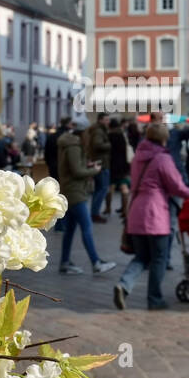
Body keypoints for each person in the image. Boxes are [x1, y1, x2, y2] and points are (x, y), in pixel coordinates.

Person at [114, 122, 189, 311]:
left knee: (141, 256)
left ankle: (124, 284)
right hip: (155, 214)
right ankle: (154, 298)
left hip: (136, 210)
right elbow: (177, 187)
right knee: (159, 257)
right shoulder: (163, 158)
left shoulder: (138, 156)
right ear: (164, 138)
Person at [57, 115, 116, 276]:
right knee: (87, 227)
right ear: (83, 132)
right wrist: (93, 170)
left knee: (70, 230)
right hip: (75, 191)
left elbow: (73, 166)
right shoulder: (74, 146)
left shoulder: (70, 143)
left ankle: (65, 262)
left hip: (70, 189)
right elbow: (77, 171)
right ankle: (96, 262)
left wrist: (87, 165)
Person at [85, 113, 112, 223]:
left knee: (99, 189)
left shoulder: (98, 130)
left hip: (99, 161)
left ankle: (94, 212)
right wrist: (110, 145)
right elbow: (97, 145)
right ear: (100, 120)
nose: (108, 122)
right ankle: (94, 213)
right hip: (101, 163)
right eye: (106, 120)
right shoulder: (98, 131)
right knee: (102, 189)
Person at [106, 117, 131, 218]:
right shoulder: (122, 135)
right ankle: (125, 210)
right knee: (124, 188)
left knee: (110, 188)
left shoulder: (109, 136)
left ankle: (108, 208)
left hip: (111, 164)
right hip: (123, 164)